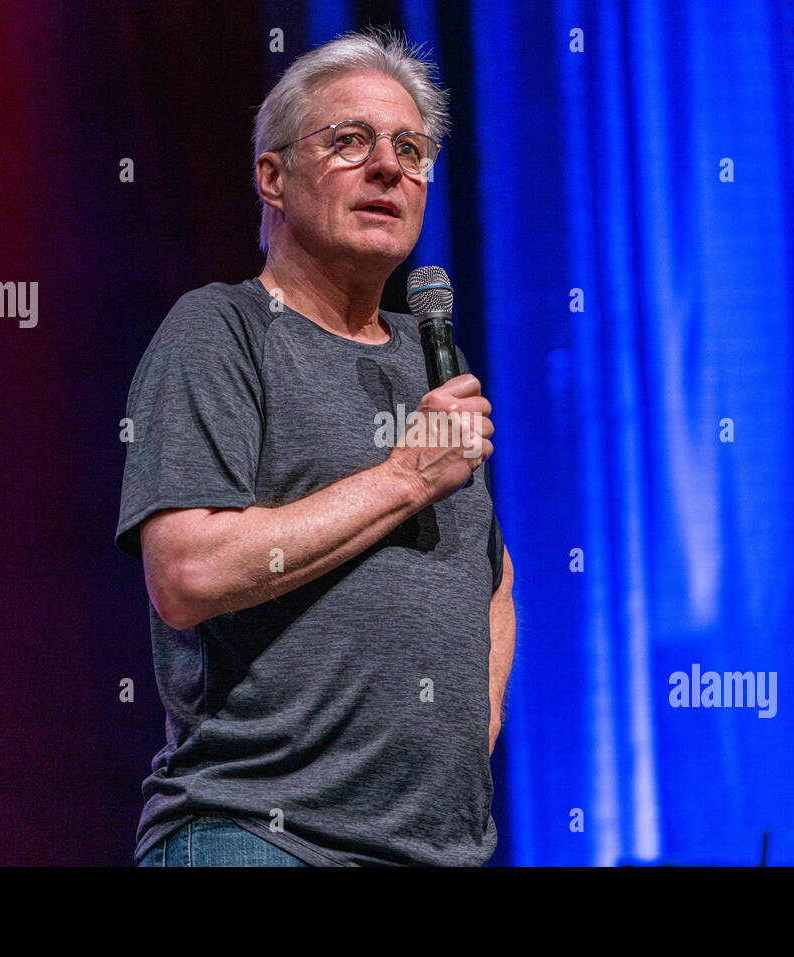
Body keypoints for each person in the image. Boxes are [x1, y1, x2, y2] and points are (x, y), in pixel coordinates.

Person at [115, 26, 516, 867]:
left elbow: (491, 569)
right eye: (349, 142)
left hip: (434, 849)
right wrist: (404, 478)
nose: (388, 168)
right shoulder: (220, 331)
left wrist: (469, 725)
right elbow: (187, 573)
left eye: (410, 149)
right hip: (258, 832)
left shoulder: (431, 354)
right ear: (272, 176)